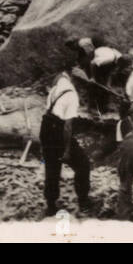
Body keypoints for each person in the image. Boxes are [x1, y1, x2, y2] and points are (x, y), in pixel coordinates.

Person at [40, 63, 93, 216]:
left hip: (46, 128)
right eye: (82, 87)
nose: (82, 91)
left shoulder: (56, 89)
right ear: (77, 83)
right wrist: (67, 150)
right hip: (58, 131)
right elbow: (68, 126)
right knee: (83, 165)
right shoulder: (72, 94)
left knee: (51, 168)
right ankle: (83, 202)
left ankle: (50, 205)